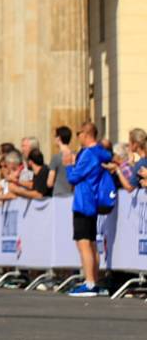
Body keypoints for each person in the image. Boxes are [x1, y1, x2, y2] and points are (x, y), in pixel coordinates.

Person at [65, 121, 121, 296]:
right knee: (91, 243)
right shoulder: (101, 152)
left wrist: (69, 164)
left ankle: (89, 283)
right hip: (93, 201)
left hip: (84, 201)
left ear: (86, 134)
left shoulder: (89, 154)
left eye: (79, 133)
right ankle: (93, 280)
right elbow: (113, 158)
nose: (78, 137)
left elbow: (74, 177)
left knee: (84, 243)